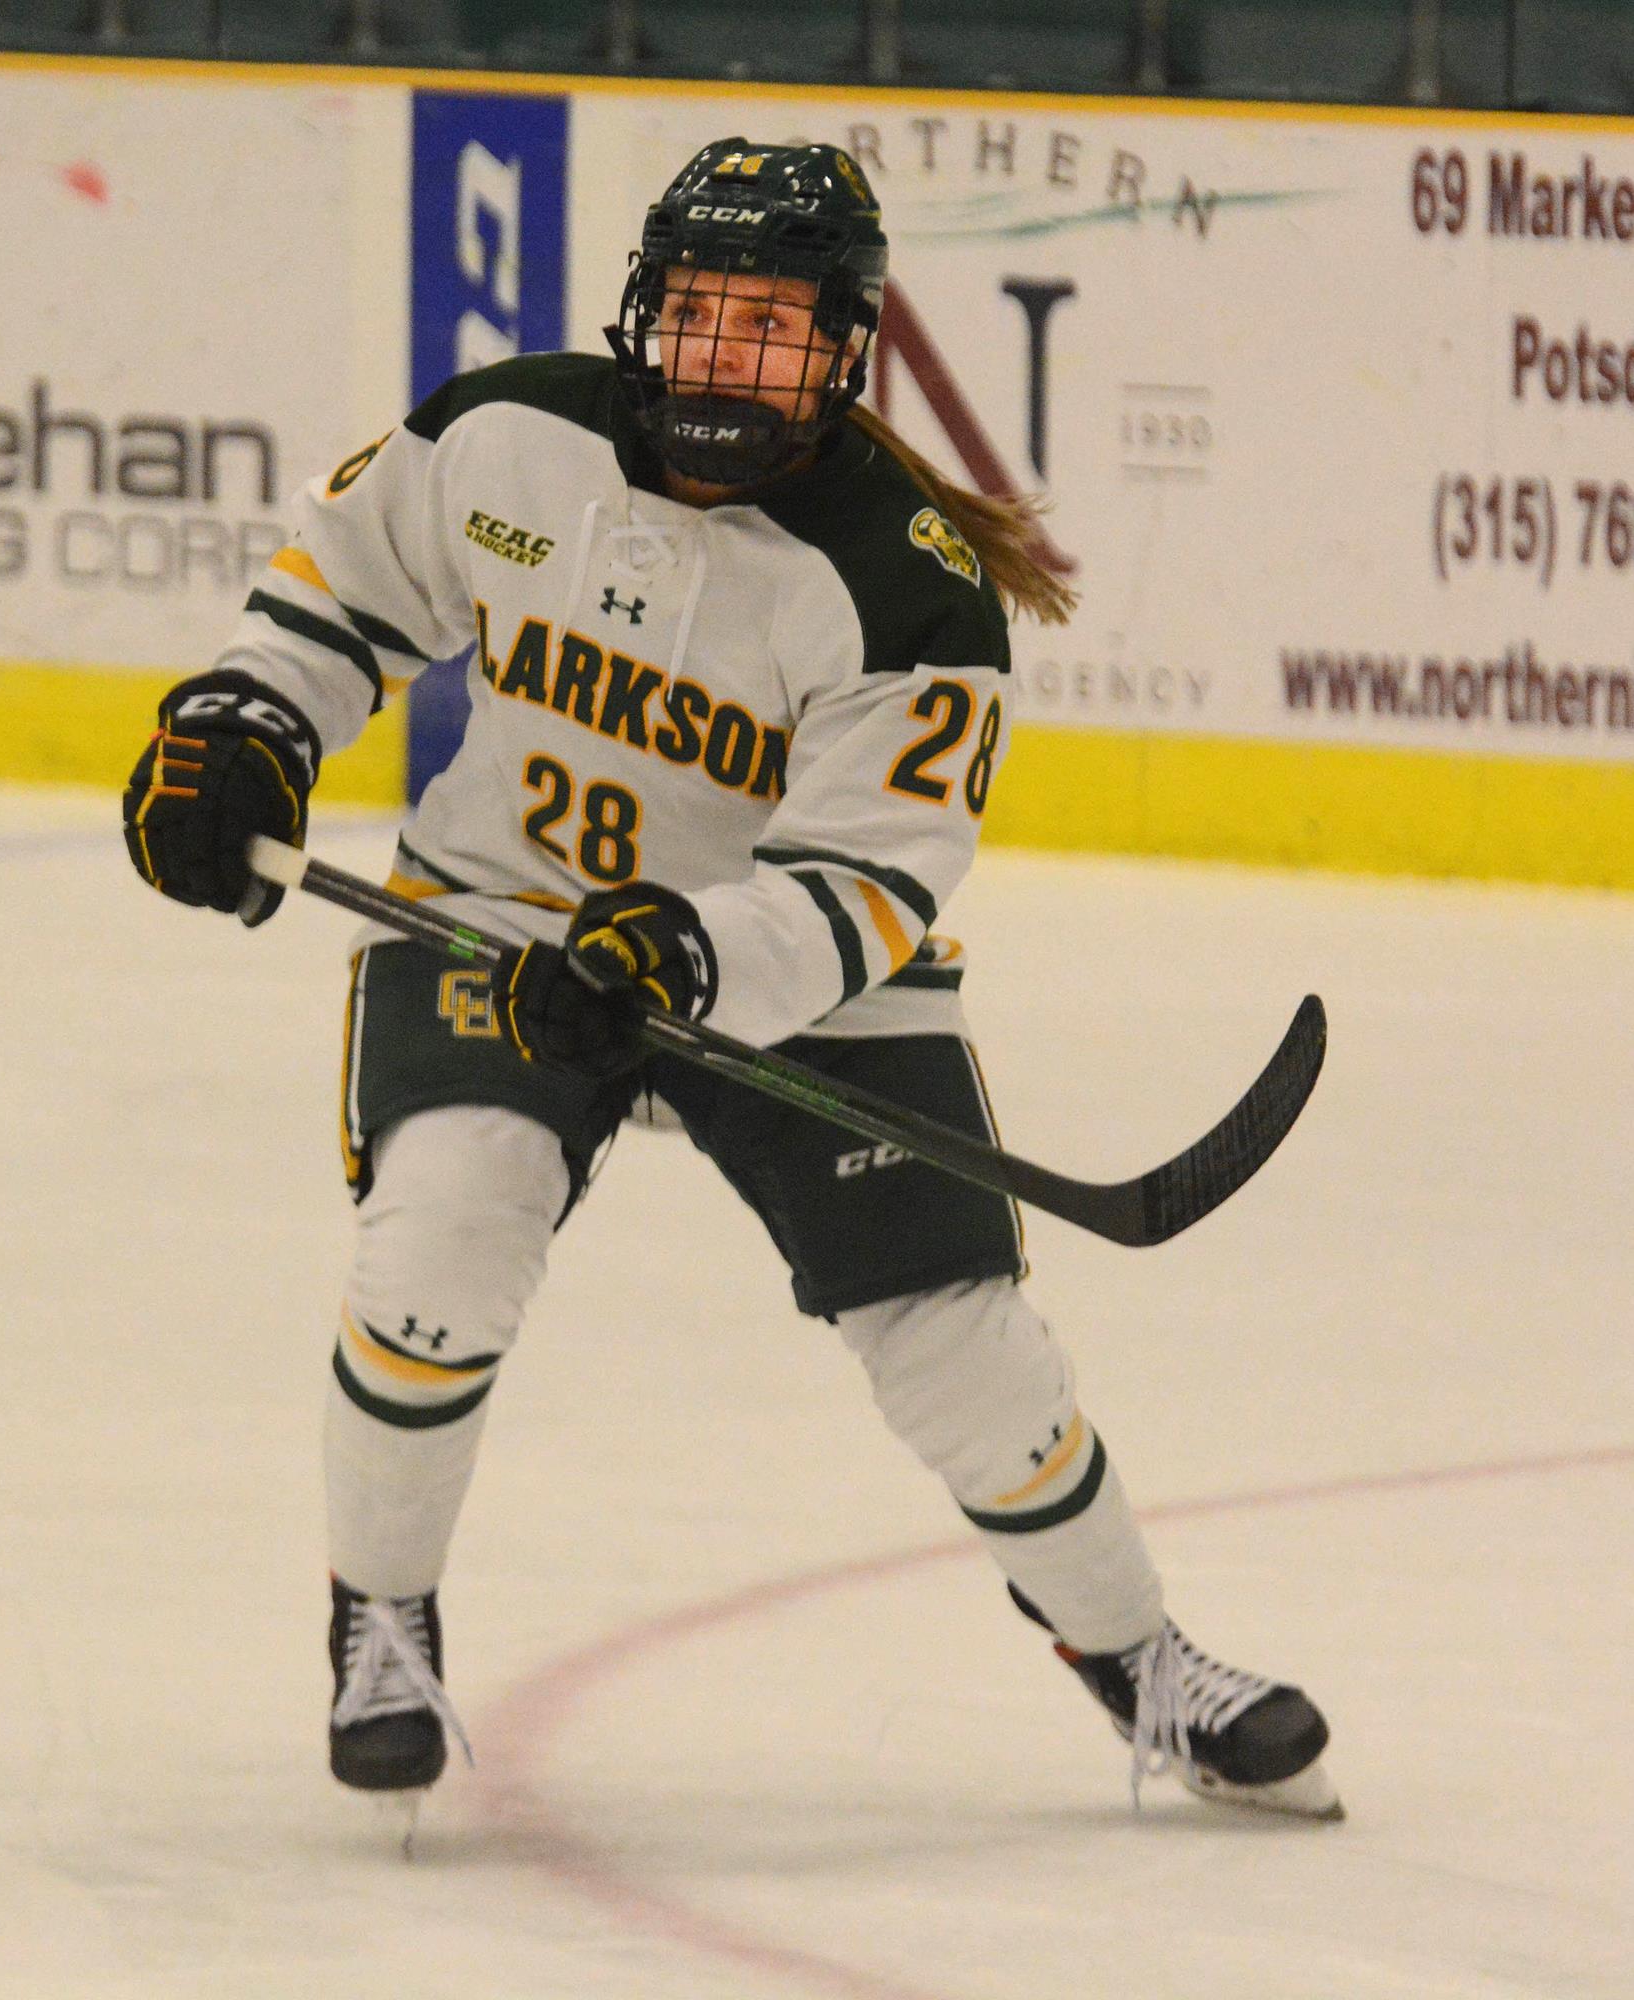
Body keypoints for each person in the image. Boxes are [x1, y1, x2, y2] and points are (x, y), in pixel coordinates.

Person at [122, 138, 1339, 1821]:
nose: (725, 362)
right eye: (699, 317)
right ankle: (381, 1616)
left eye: (771, 331)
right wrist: (243, 728)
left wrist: (692, 949)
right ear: (644, 314)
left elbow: (871, 879)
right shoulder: (507, 433)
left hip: (786, 962)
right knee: (444, 1234)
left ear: (844, 354)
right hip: (506, 905)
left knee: (962, 1346)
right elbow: (339, 600)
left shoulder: (911, 585)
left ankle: (1139, 1663)